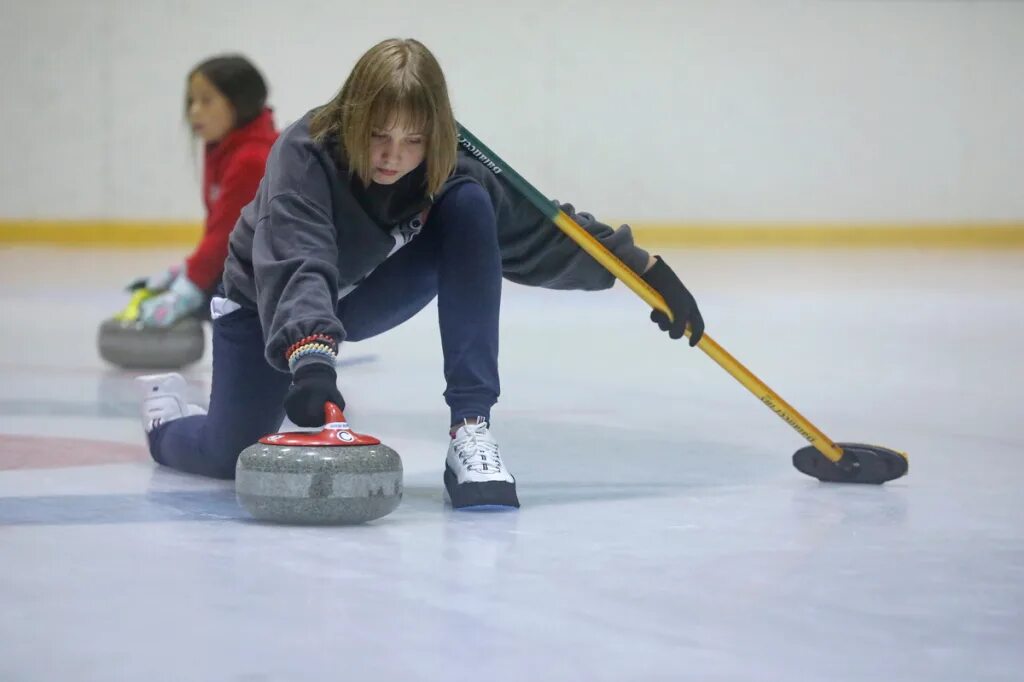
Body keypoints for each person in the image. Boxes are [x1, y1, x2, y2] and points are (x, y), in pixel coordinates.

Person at [137, 38, 703, 510]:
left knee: (471, 204)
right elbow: (296, 258)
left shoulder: (449, 163)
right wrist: (311, 355)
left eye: (412, 141)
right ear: (353, 118)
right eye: (378, 136)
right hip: (264, 303)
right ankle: (167, 420)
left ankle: (471, 428)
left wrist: (645, 273)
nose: (392, 156)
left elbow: (541, 229)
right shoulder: (304, 153)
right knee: (227, 453)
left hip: (357, 300)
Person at [133, 55, 278, 326]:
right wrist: (185, 272)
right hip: (257, 268)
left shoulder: (252, 158)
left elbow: (228, 237)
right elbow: (220, 229)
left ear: (239, 101)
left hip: (278, 280)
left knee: (209, 292)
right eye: (191, 101)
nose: (194, 111)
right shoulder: (223, 149)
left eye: (206, 100)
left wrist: (187, 289)